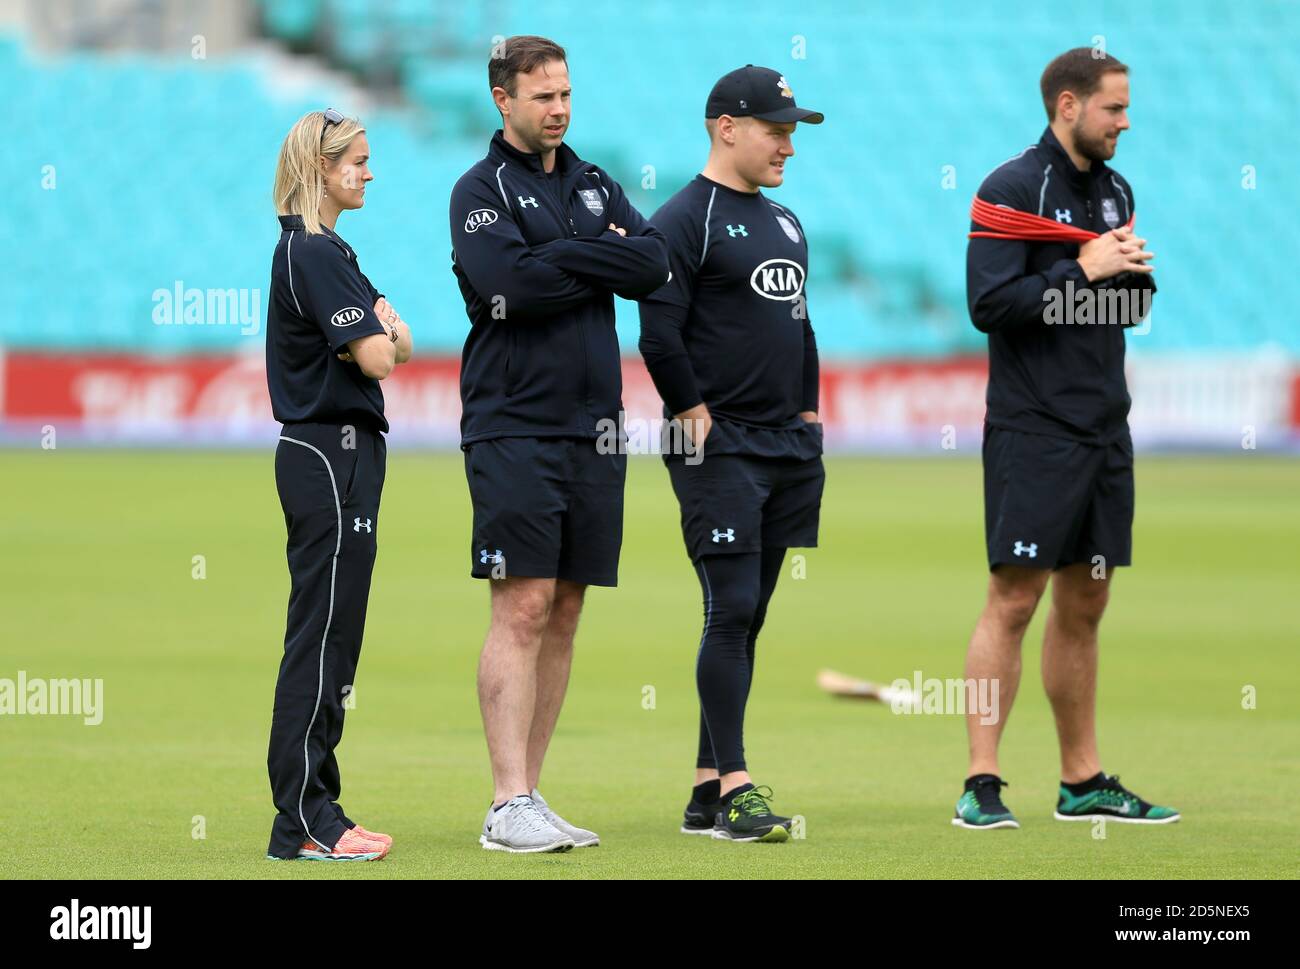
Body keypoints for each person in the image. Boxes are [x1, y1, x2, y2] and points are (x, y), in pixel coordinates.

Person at [449, 35, 669, 853]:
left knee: (568, 607)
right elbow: (511, 286)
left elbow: (653, 263)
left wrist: (570, 255)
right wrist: (599, 254)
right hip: (514, 421)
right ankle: (505, 803)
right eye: (543, 96)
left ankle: (531, 794)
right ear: (503, 100)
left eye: (566, 94)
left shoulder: (593, 179)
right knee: (525, 602)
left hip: (596, 425)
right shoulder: (477, 190)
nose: (559, 109)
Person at [956, 49, 1177, 829]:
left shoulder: (1116, 191)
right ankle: (981, 780)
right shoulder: (1012, 188)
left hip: (1103, 428)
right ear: (1068, 106)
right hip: (1033, 428)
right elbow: (990, 305)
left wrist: (1127, 279)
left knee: (1087, 598)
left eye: (1126, 108)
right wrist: (1082, 272)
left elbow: (1125, 313)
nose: (1125, 122)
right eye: (1114, 108)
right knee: (1014, 598)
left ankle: (1082, 779)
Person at [638, 66, 825, 842]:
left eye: (793, 129)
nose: (788, 143)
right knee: (733, 607)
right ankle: (740, 789)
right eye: (775, 128)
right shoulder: (685, 218)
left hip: (786, 444)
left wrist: (810, 412)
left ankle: (705, 785)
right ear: (725, 128)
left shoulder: (784, 221)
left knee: (751, 616)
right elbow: (657, 331)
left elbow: (800, 324)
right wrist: (691, 411)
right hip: (719, 445)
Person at [264, 108, 413, 860]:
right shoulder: (314, 254)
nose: (368, 170)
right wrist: (379, 342)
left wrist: (381, 341)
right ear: (321, 167)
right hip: (326, 452)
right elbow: (384, 354)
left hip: (346, 451)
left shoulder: (333, 250)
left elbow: (400, 342)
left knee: (336, 639)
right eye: (356, 159)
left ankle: (320, 805)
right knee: (320, 636)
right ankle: (301, 818)